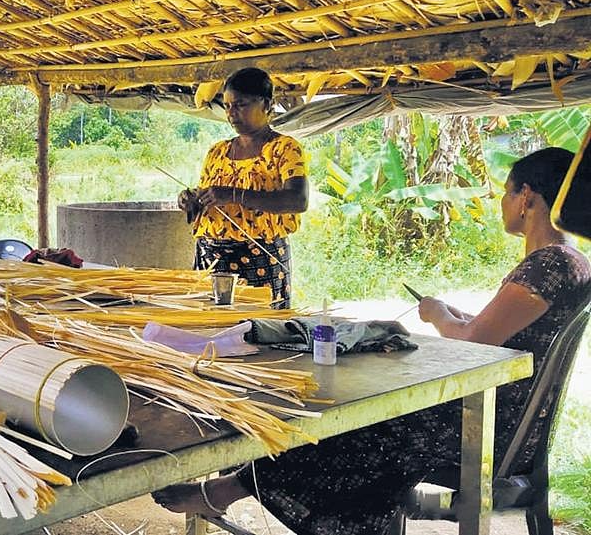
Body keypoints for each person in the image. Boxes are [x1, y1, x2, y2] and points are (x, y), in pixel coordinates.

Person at [154, 146, 590, 534]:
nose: (503, 203)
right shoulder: (571, 261)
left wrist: (439, 315)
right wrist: (459, 316)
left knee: (339, 424)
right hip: (510, 417)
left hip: (485, 424)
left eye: (507, 193)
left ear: (528, 197)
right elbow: (509, 330)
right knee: (341, 422)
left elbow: (475, 339)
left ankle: (236, 491)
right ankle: (252, 491)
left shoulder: (546, 266)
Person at [178, 67, 309, 309]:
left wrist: (234, 195)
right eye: (227, 106)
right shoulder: (217, 151)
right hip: (211, 260)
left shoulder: (283, 148)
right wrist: (192, 202)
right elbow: (203, 208)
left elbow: (297, 201)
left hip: (259, 258)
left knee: (255, 332)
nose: (231, 113)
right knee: (212, 331)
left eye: (240, 105)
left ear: (267, 105)